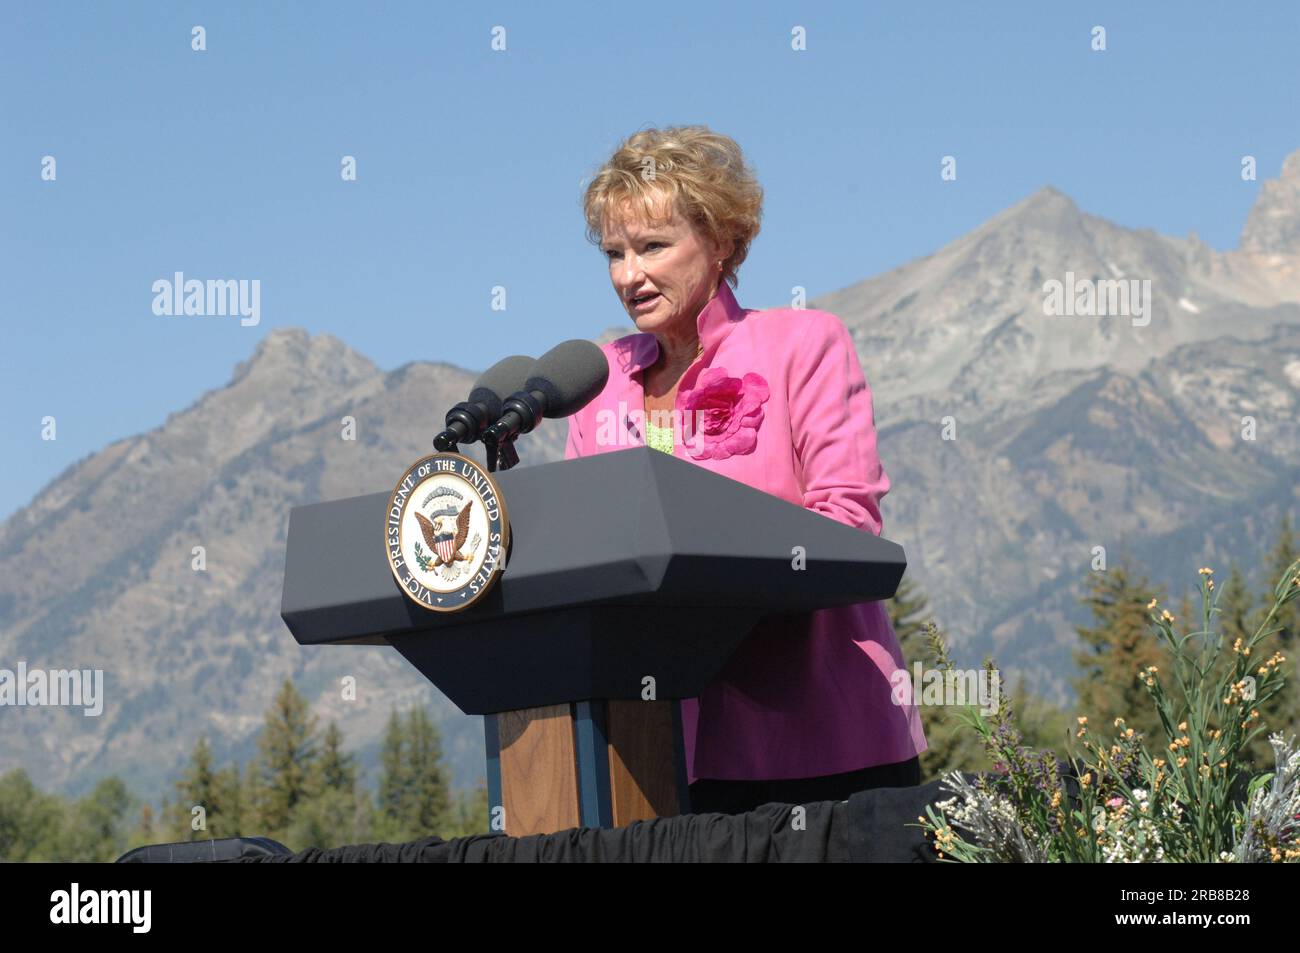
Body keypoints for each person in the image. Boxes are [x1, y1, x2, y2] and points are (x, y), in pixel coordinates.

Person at [565, 125, 927, 814]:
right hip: (657, 760)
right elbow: (587, 557)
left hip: (826, 742)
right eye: (614, 253)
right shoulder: (597, 384)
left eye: (652, 246)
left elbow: (849, 523)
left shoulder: (804, 343)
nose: (627, 274)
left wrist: (706, 581)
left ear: (722, 241)